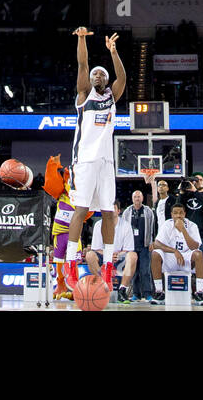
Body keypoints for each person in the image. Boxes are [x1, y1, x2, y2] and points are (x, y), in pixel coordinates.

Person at [63, 27, 126, 291]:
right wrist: (81, 39)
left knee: (109, 212)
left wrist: (114, 52)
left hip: (106, 162)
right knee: (80, 210)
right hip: (85, 161)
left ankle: (108, 265)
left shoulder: (112, 96)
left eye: (102, 74)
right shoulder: (84, 95)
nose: (97, 75)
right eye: (95, 74)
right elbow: (82, 64)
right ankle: (70, 263)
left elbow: (122, 77)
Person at [150, 202, 203, 304]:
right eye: (175, 213)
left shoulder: (192, 226)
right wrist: (174, 251)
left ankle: (199, 292)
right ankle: (159, 292)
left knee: (198, 254)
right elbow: (157, 243)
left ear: (185, 214)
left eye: (181, 213)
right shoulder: (167, 224)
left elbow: (194, 247)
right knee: (155, 253)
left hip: (186, 258)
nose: (178, 215)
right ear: (172, 215)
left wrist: (183, 230)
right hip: (171, 257)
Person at [86, 202, 138, 302]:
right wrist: (108, 255)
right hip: (103, 256)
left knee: (133, 255)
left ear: (118, 211)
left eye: (113, 208)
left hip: (120, 256)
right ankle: (103, 285)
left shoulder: (126, 225)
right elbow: (96, 249)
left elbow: (128, 249)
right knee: (89, 255)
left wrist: (117, 255)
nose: (110, 211)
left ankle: (122, 290)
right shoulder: (98, 225)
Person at [126, 183, 158, 298]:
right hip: (132, 246)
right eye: (135, 197)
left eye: (139, 196)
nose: (137, 199)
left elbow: (154, 227)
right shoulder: (127, 212)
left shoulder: (148, 211)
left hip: (145, 245)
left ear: (142, 198)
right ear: (132, 199)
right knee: (134, 271)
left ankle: (148, 293)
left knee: (145, 271)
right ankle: (136, 294)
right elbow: (124, 229)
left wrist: (153, 241)